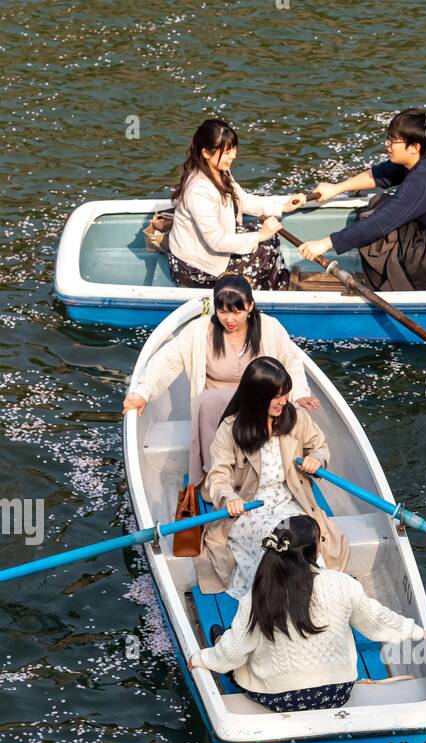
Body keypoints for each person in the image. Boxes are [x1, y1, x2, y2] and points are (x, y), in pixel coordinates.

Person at [189, 515, 426, 712]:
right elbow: (375, 620)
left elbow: (233, 654)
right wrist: (415, 630)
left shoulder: (258, 595)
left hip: (279, 698)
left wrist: (201, 659)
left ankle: (219, 639)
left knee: (234, 645)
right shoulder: (342, 583)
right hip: (336, 692)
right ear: (314, 550)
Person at [122, 274, 319, 485]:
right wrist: (143, 392)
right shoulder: (200, 331)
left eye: (237, 312)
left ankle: (275, 470)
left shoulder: (270, 327)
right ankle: (215, 474)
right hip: (217, 408)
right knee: (209, 401)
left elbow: (291, 361)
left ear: (250, 306)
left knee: (289, 409)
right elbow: (168, 359)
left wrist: (299, 394)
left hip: (261, 403)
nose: (229, 319)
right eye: (222, 311)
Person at [195, 356, 349, 599]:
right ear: (256, 396)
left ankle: (310, 597)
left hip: (290, 500)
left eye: (285, 394)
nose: (283, 402)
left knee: (300, 540)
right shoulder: (231, 429)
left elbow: (319, 446)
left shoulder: (296, 417)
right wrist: (229, 498)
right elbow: (219, 475)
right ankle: (279, 600)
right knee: (276, 545)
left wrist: (316, 458)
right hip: (250, 507)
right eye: (276, 396)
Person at [298, 109, 426, 293]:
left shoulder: (421, 183)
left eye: (393, 141)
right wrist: (337, 188)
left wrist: (325, 243)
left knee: (373, 232)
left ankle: (388, 289)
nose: (387, 144)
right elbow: (383, 173)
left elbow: (378, 224)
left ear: (414, 147)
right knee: (378, 204)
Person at [166, 118, 305, 290]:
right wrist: (260, 236)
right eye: (226, 152)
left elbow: (243, 200)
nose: (233, 155)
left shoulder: (219, 170)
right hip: (195, 267)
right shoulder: (198, 190)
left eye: (234, 149)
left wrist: (283, 205)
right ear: (206, 153)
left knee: (271, 238)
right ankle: (256, 297)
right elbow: (216, 241)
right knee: (265, 251)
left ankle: (275, 286)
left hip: (214, 248)